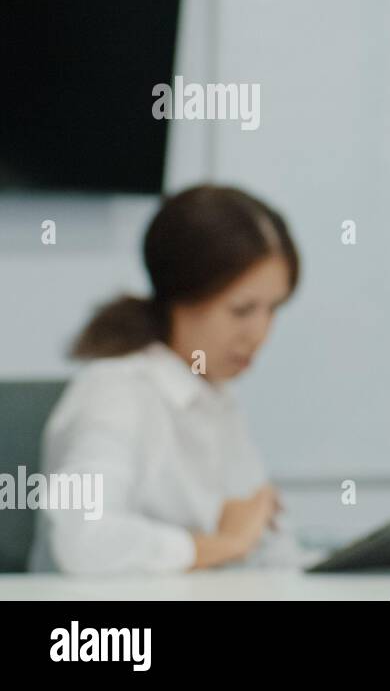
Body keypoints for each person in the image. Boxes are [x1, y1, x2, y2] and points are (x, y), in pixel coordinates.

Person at [28, 184, 308, 574]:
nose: (259, 334)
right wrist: (224, 544)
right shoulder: (114, 391)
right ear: (181, 296)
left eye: (272, 309)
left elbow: (262, 541)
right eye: (242, 310)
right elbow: (82, 540)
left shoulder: (215, 397)